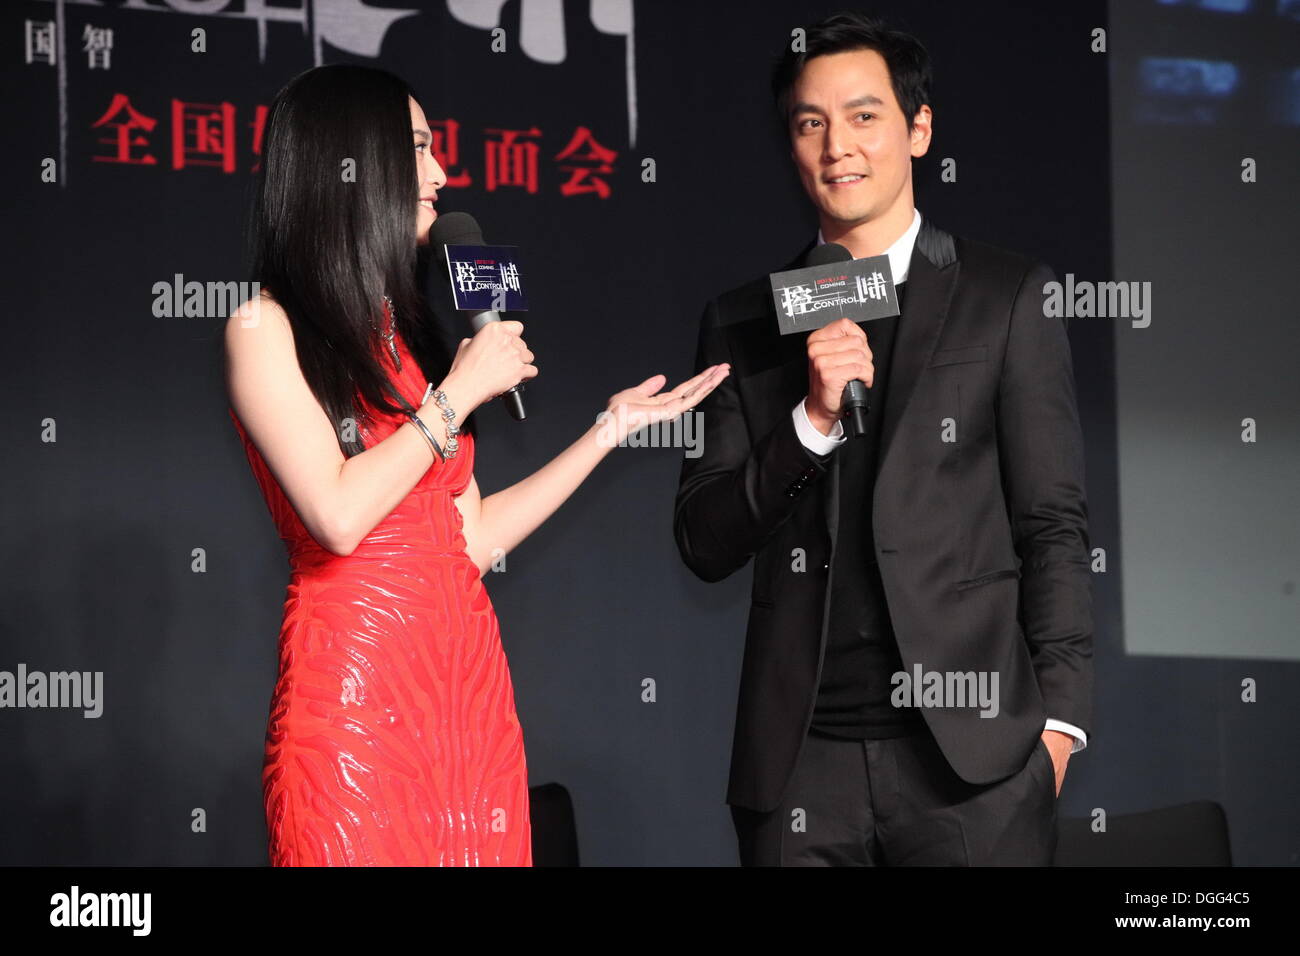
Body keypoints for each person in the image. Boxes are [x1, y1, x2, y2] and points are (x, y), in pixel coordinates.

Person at [225, 64, 728, 866]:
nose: (440, 174)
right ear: (352, 162)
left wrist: (608, 431)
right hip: (357, 690)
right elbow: (337, 514)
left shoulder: (403, 342)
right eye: (419, 149)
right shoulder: (264, 328)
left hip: (465, 690)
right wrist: (456, 398)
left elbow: (473, 537)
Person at [673, 12, 1092, 865]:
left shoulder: (1004, 296)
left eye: (864, 116)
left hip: (973, 770)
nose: (837, 147)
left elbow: (1052, 523)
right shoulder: (745, 321)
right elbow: (704, 537)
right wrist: (812, 423)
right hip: (799, 772)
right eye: (810, 122)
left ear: (919, 128)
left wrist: (1055, 732)